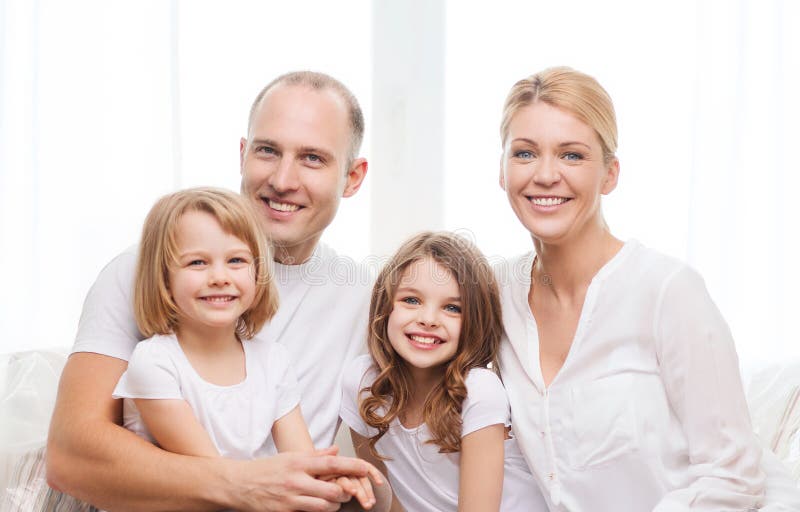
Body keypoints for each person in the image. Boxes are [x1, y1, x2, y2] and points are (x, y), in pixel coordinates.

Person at [47, 71, 384, 512]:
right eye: (267, 150)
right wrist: (244, 486)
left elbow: (406, 459)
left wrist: (355, 488)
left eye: (313, 159)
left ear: (353, 177)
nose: (283, 179)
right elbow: (69, 458)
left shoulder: (368, 299)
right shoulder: (144, 269)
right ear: (243, 155)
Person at [494, 66, 800, 510]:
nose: (545, 175)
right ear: (501, 171)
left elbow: (732, 478)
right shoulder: (497, 296)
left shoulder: (668, 292)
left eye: (572, 155)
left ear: (610, 174)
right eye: (524, 153)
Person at [111, 187, 380, 509]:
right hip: (207, 501)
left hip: (247, 503)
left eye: (236, 260)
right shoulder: (154, 362)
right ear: (164, 279)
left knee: (360, 501)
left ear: (258, 272)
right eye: (197, 262)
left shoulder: (272, 360)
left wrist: (331, 480)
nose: (220, 277)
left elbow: (302, 459)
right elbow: (218, 480)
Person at [340, 232, 548, 511]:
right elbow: (382, 496)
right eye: (411, 300)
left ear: (476, 321)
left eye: (452, 308)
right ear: (385, 306)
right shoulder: (363, 381)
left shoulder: (478, 391)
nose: (428, 320)